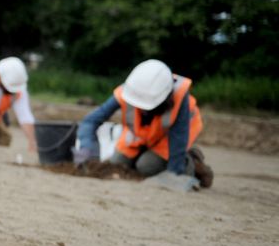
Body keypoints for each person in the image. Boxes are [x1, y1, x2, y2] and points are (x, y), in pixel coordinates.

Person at [74, 59, 212, 187]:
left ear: (164, 98)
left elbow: (178, 137)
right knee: (116, 164)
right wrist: (87, 150)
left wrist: (176, 173)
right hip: (142, 136)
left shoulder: (180, 99)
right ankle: (144, 160)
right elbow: (90, 121)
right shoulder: (131, 90)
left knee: (147, 166)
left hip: (168, 139)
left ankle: (192, 161)